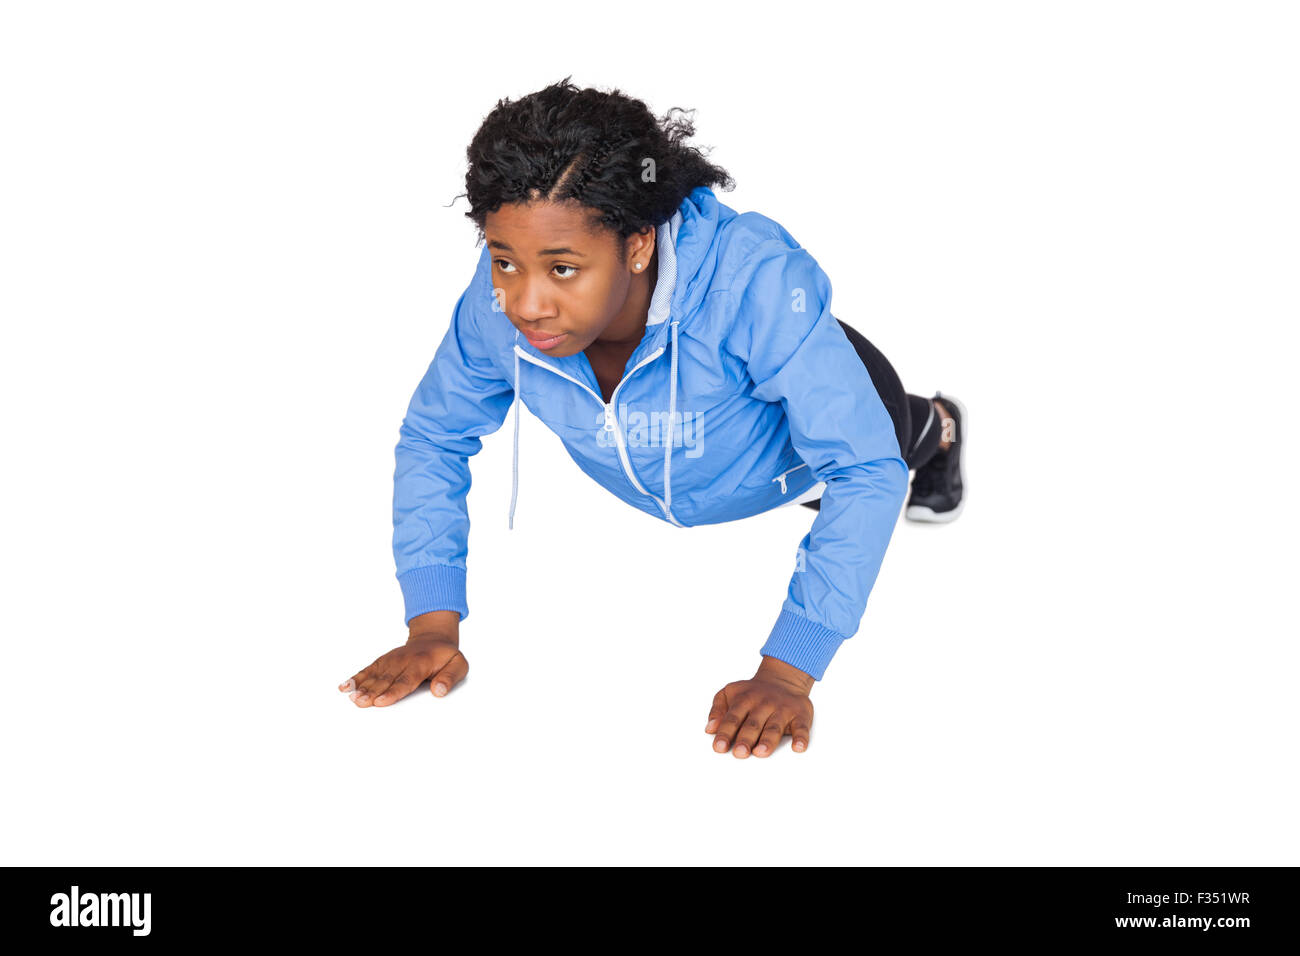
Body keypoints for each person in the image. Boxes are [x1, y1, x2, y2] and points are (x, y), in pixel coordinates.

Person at [338, 77, 968, 759]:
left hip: (805, 427)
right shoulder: (500, 309)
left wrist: (789, 670)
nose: (526, 303)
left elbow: (862, 468)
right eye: (504, 262)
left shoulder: (757, 280)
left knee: (879, 453)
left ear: (637, 245)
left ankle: (938, 425)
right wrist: (432, 624)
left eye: (562, 269)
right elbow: (435, 435)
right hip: (705, 443)